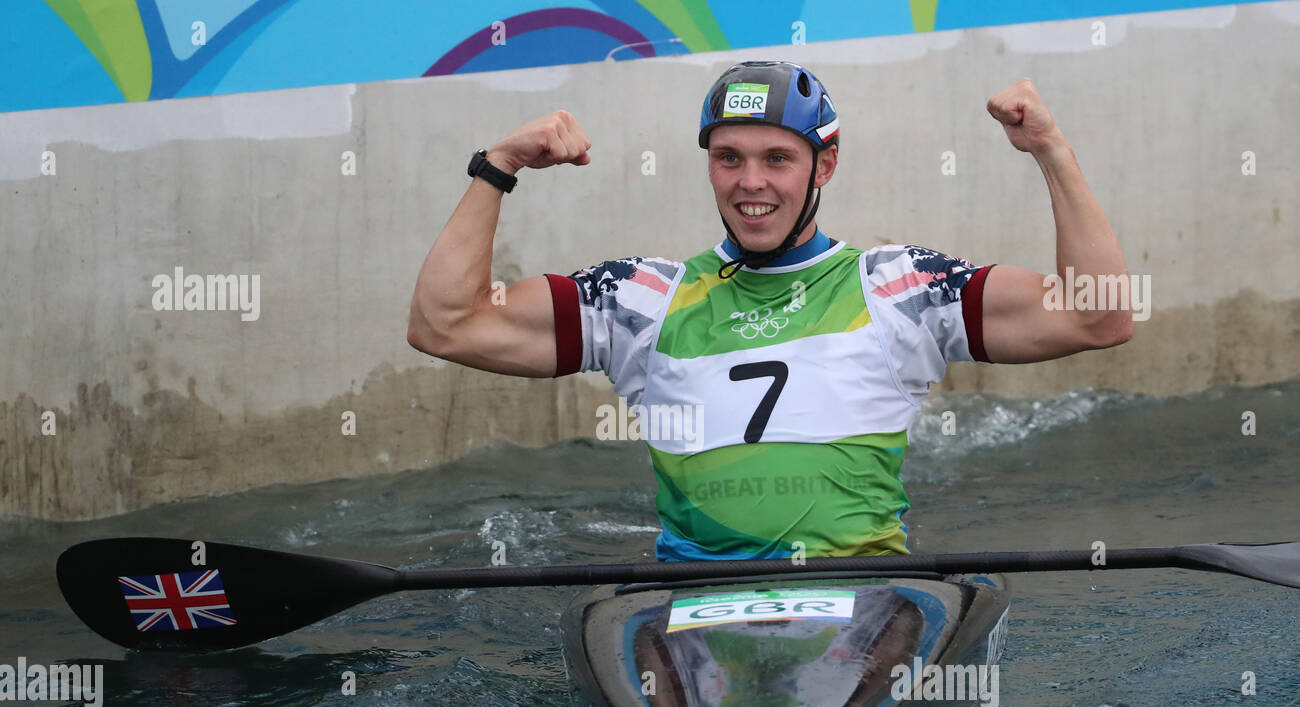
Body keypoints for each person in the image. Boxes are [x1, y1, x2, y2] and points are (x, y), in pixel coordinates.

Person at [408, 61, 1132, 562]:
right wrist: (498, 165)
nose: (750, 183)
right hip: (690, 597)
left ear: (825, 164)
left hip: (863, 591)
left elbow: (1095, 316)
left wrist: (1051, 151)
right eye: (728, 158)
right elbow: (445, 323)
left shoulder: (901, 288)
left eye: (776, 159)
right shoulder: (640, 298)